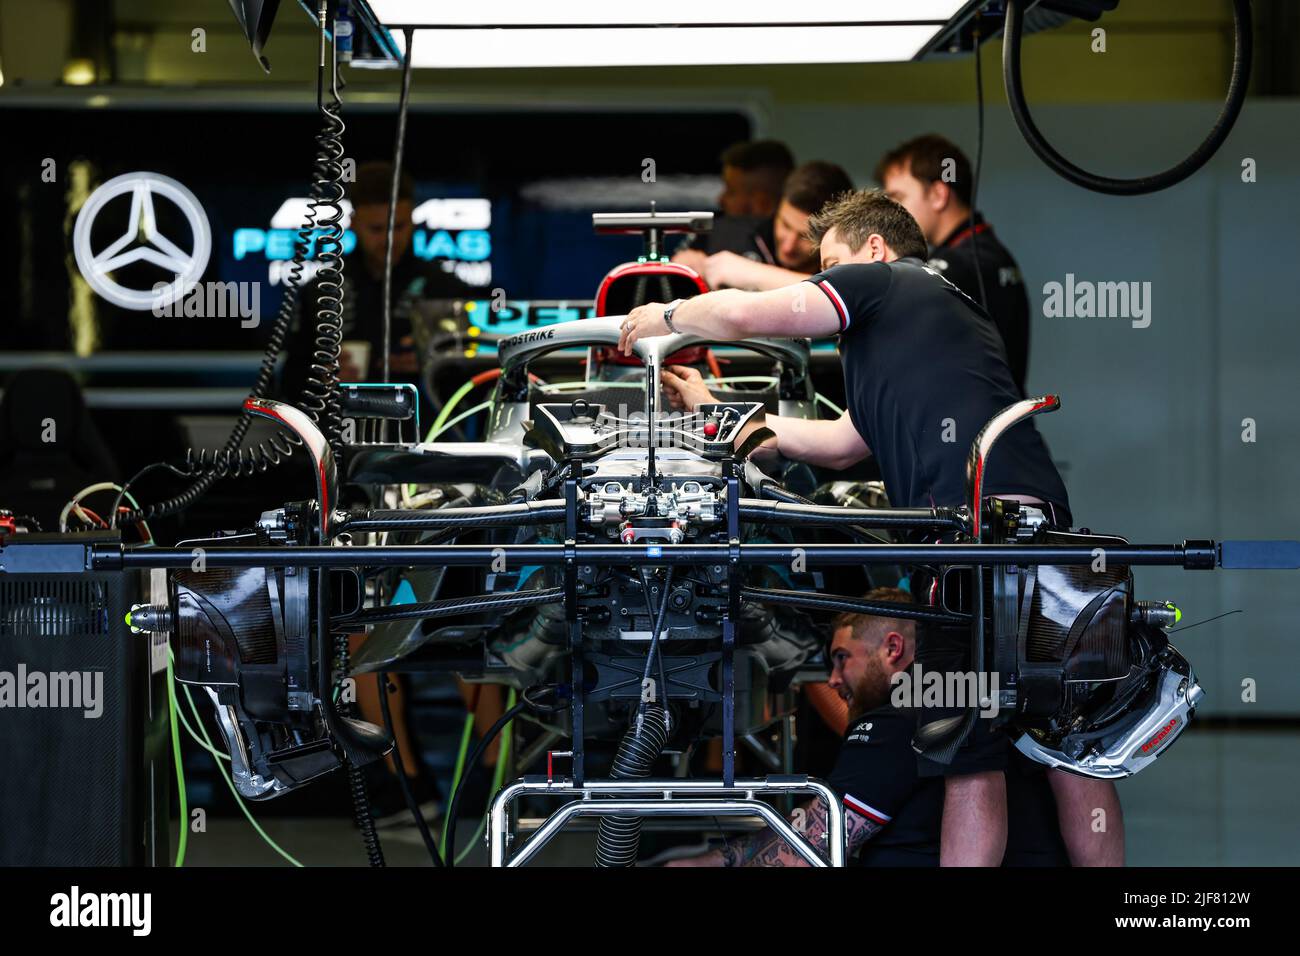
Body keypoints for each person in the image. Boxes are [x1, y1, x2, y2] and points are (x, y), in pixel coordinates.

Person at [618, 188, 1122, 868]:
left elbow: (745, 313)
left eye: (830, 265)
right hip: (1039, 535)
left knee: (968, 756)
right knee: (1071, 750)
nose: (823, 281)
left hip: (970, 548)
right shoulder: (924, 328)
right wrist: (716, 408)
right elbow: (839, 442)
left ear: (874, 251)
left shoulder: (889, 282)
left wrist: (668, 313)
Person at [667, 589, 1069, 867]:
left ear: (892, 649)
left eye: (843, 658)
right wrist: (724, 857)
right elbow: (817, 828)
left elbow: (806, 854)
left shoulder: (895, 723)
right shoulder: (973, 703)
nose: (835, 679)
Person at [281, 160, 478, 399]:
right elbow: (287, 384)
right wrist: (320, 375)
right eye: (376, 229)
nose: (389, 240)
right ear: (354, 224)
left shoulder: (446, 288)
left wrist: (433, 365)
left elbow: (475, 384)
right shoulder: (320, 290)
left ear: (414, 222)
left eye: (398, 226)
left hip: (421, 428)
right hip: (340, 428)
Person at [875, 134, 1032, 395]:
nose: (891, 214)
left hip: (984, 430)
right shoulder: (987, 252)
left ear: (938, 194)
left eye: (898, 198)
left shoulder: (963, 262)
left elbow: (874, 295)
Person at [695, 160, 854, 292]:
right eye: (785, 225)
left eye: (806, 236)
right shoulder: (728, 234)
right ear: (776, 208)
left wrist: (752, 273)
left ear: (835, 232)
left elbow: (848, 293)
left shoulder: (851, 256)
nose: (788, 247)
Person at [672, 140, 795, 269]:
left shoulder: (716, 232)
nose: (720, 199)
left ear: (762, 204)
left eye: (731, 191)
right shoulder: (708, 231)